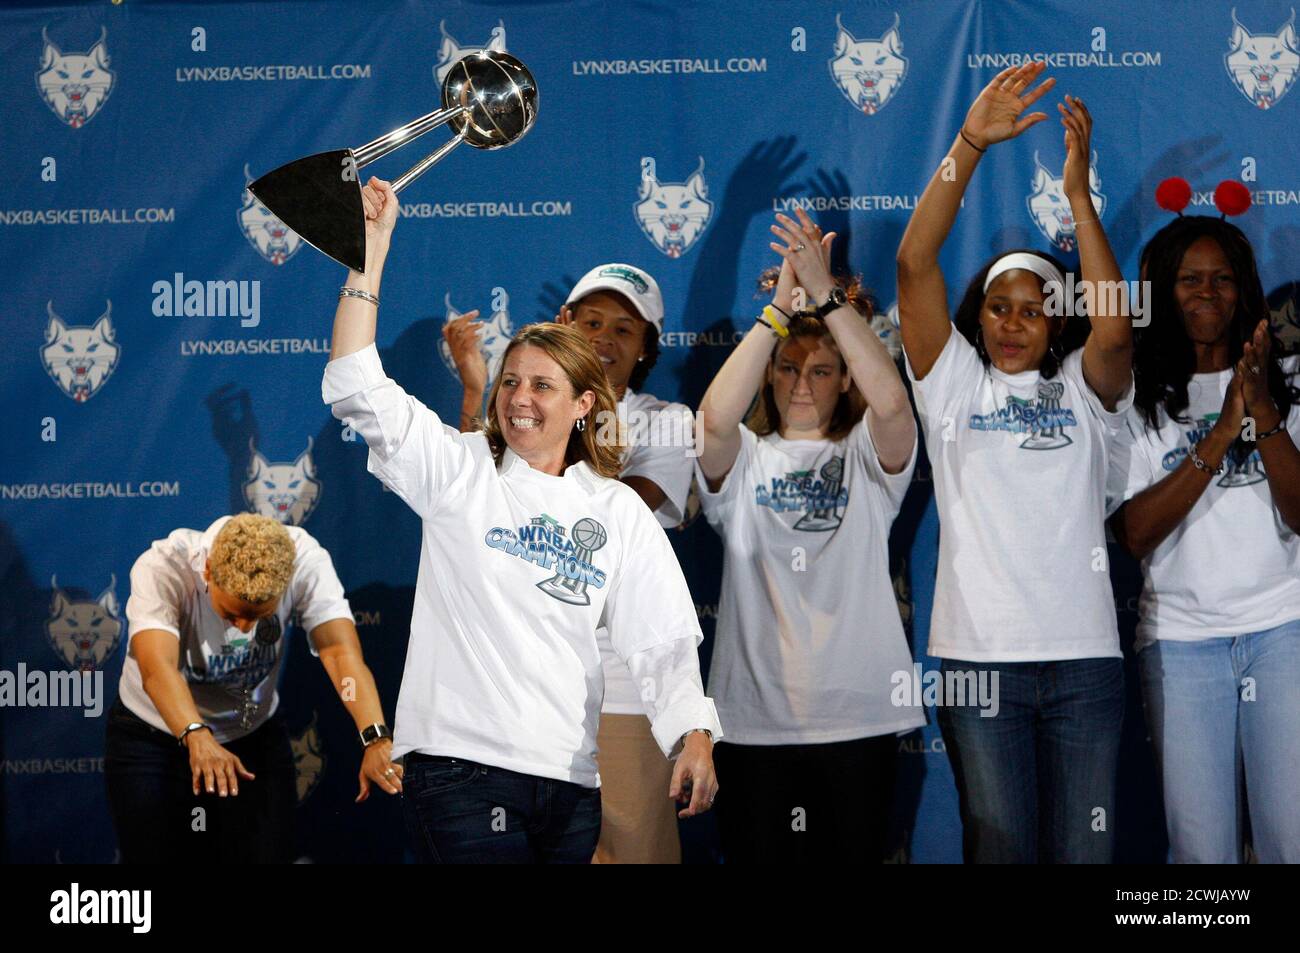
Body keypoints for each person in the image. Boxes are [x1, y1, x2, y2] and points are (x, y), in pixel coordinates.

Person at [323, 177, 721, 864]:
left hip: (569, 776)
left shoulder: (616, 508)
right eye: (510, 381)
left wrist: (694, 731)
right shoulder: (460, 469)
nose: (520, 398)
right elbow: (359, 384)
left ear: (581, 406)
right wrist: (371, 252)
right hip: (459, 766)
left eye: (542, 385)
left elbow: (660, 641)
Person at [895, 63, 1135, 862]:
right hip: (980, 667)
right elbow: (913, 265)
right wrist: (968, 142)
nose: (1012, 322)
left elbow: (1113, 327)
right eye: (999, 306)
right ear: (979, 314)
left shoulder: (1084, 391)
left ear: (1054, 320)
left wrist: (1078, 199)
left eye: (1034, 309)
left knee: (1085, 855)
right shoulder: (952, 384)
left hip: (1085, 663)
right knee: (998, 853)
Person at [444, 263, 694, 864]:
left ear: (646, 349)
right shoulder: (520, 417)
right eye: (591, 322)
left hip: (625, 693)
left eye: (625, 330)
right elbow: (472, 502)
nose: (605, 338)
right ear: (564, 326)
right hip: (519, 695)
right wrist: (479, 394)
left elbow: (610, 514)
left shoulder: (667, 422)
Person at [694, 206, 922, 863]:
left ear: (843, 376)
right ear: (768, 371)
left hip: (859, 717)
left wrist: (824, 297)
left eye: (820, 369)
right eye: (787, 368)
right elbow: (710, 420)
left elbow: (893, 403)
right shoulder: (743, 457)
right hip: (752, 723)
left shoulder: (867, 457)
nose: (800, 382)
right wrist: (777, 314)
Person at [1108, 211, 1300, 863]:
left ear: (1243, 290)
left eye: (1222, 279)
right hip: (1182, 644)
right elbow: (1133, 533)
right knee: (1201, 853)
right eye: (1190, 279)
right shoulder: (1134, 400)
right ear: (1165, 290)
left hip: (1283, 629)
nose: (1208, 293)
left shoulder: (1288, 386)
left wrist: (1264, 412)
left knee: (1291, 838)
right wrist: (1220, 433)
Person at [106, 512, 396, 863]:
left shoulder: (304, 561)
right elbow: (157, 669)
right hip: (154, 740)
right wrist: (197, 735)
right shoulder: (164, 567)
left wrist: (375, 736)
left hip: (252, 736)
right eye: (231, 615)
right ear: (208, 571)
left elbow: (339, 657)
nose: (244, 629)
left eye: (258, 617)